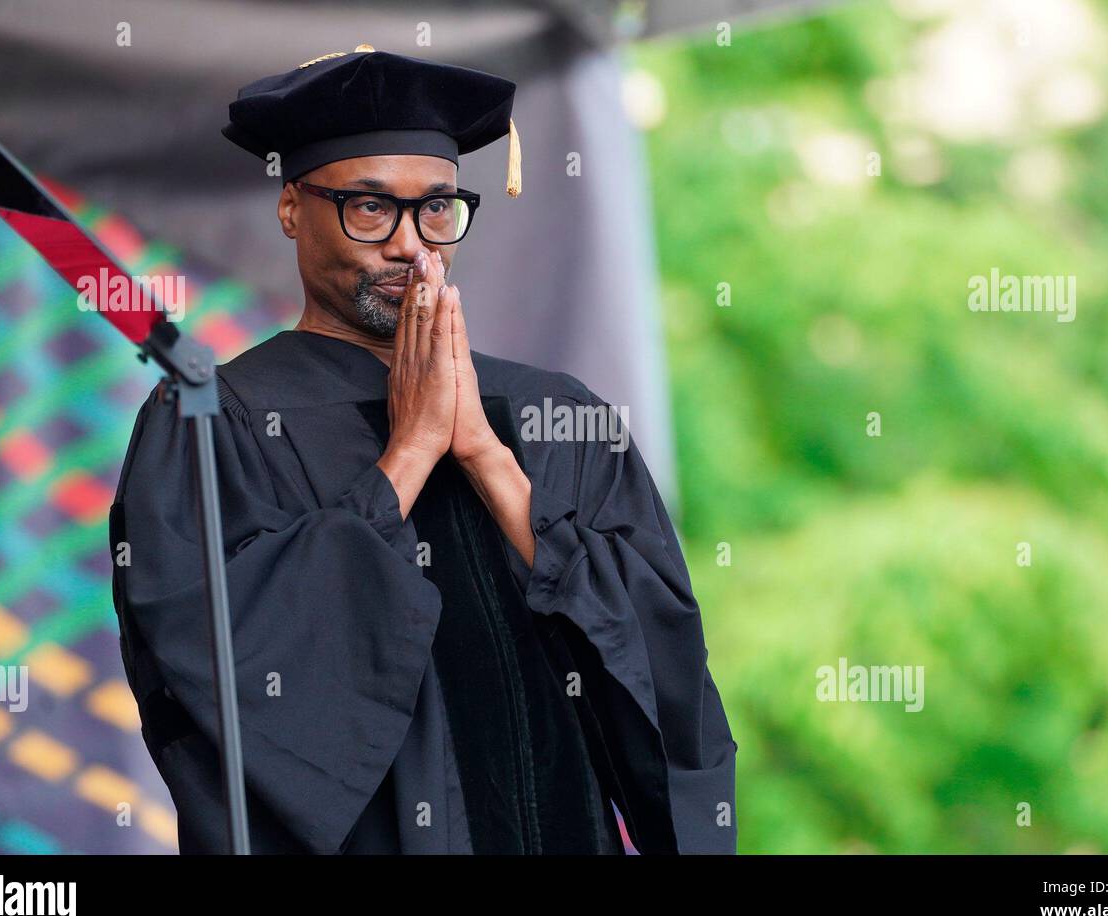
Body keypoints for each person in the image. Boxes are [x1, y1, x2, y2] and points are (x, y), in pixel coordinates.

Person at [109, 46, 738, 854]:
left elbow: (668, 674)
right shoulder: (211, 420)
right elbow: (213, 673)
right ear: (294, 207)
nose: (412, 245)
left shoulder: (556, 413)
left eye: (436, 209)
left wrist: (487, 458)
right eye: (370, 208)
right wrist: (405, 458)